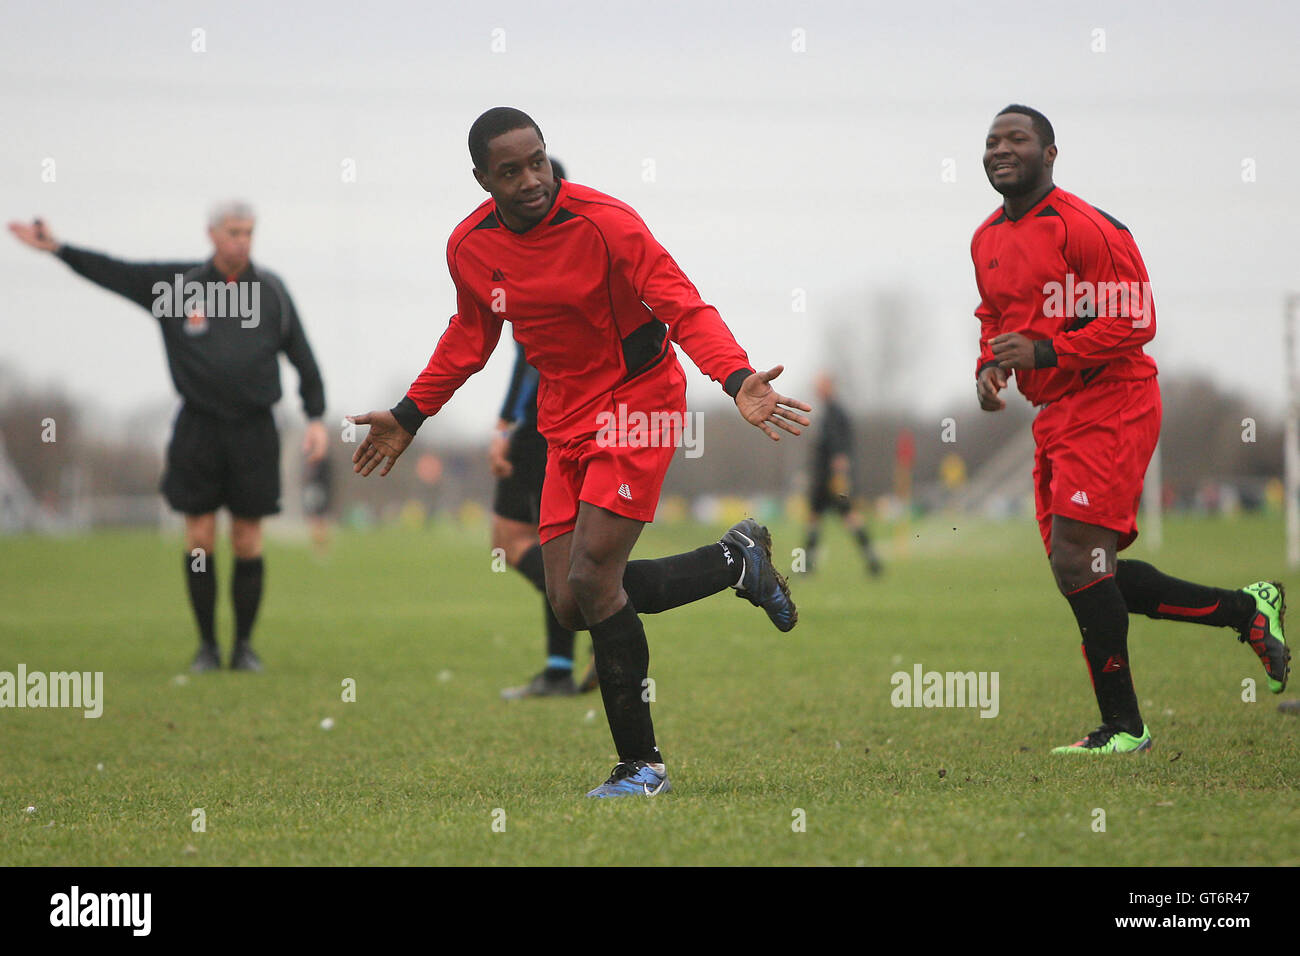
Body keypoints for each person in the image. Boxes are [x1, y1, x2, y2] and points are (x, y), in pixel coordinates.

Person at [350, 107, 811, 797]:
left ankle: (642, 766)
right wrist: (412, 414)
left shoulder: (606, 222)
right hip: (563, 417)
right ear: (483, 179)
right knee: (570, 600)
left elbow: (683, 306)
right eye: (511, 171)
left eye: (538, 160)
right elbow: (469, 338)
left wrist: (738, 378)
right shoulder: (470, 247)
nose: (532, 179)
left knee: (596, 579)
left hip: (641, 399)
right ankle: (734, 561)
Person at [972, 104, 1289, 754]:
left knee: (1075, 562)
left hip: (1111, 399)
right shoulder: (984, 239)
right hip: (1054, 414)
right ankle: (1246, 609)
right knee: (1090, 569)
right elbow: (994, 314)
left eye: (1017, 139)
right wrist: (988, 366)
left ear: (1050, 153)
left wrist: (1050, 352)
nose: (1001, 150)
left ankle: (1125, 729)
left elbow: (1137, 319)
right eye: (991, 141)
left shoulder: (1087, 226)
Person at [8, 204, 328, 672]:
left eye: (249, 232)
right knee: (199, 536)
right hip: (198, 429)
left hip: (254, 429)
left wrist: (316, 416)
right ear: (212, 233)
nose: (242, 240)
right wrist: (58, 249)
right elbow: (115, 272)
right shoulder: (176, 289)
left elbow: (302, 355)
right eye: (234, 231)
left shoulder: (272, 291)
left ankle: (243, 648)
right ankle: (206, 647)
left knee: (246, 536)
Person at [489, 157, 595, 700]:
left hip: (547, 424)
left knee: (520, 542)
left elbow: (535, 357)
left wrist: (511, 425)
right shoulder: (577, 247)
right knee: (557, 544)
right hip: (570, 416)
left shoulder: (537, 260)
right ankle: (567, 656)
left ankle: (600, 614)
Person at [802, 371, 882, 576]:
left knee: (850, 516)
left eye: (821, 385)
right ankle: (807, 565)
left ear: (830, 387)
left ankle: (872, 560)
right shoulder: (825, 412)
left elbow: (841, 449)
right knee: (814, 518)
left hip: (833, 479)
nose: (818, 389)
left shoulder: (836, 413)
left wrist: (841, 474)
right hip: (821, 477)